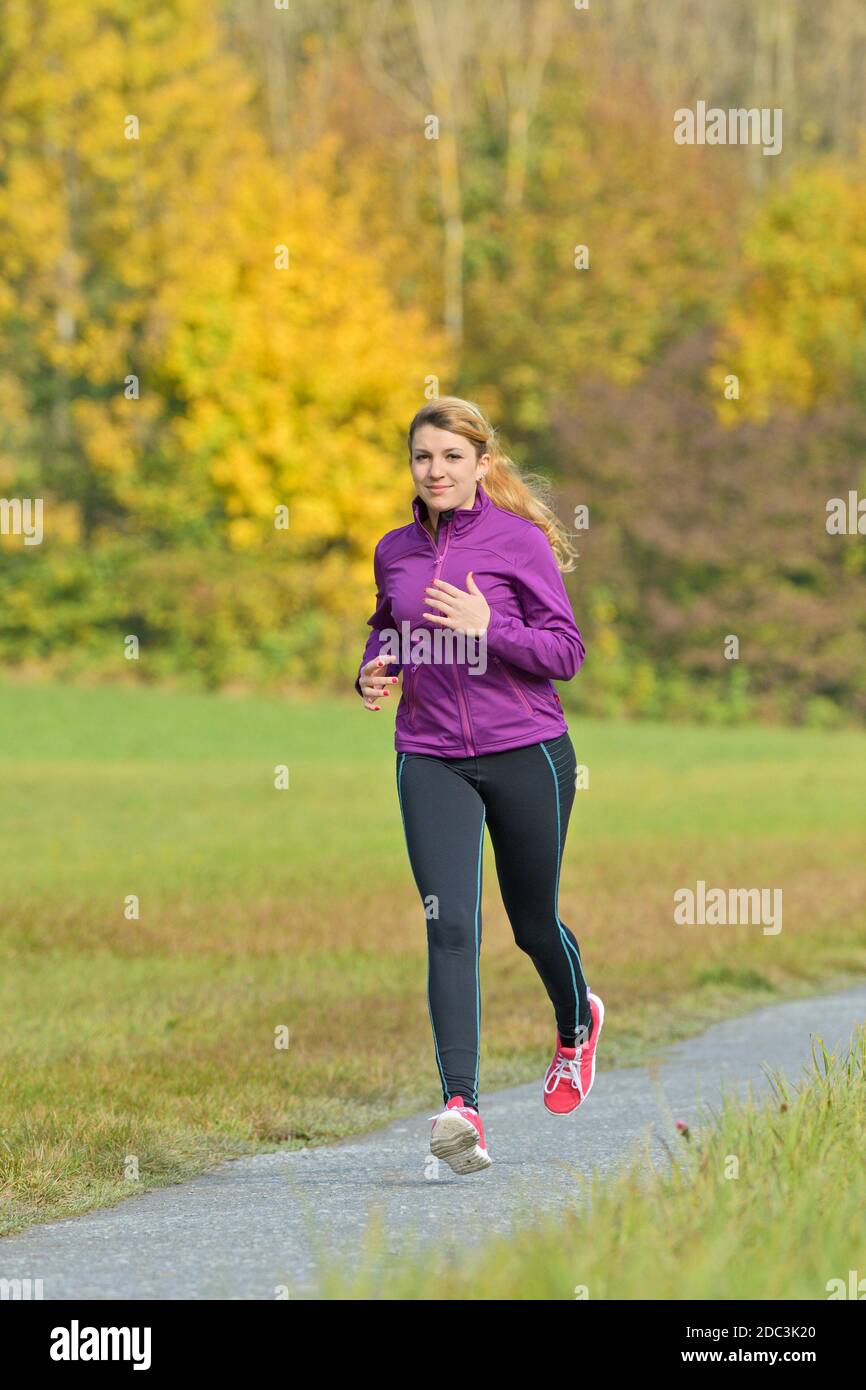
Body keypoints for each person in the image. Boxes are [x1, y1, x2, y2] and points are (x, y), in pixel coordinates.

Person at [354, 396, 603, 1175]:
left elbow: (565, 652)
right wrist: (374, 666)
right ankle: (461, 1106)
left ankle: (576, 1027)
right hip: (429, 754)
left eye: (451, 458)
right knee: (449, 925)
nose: (436, 471)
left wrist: (483, 626)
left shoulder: (517, 542)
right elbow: (387, 624)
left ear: (480, 464)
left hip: (527, 750)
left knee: (533, 924)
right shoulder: (393, 550)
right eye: (423, 458)